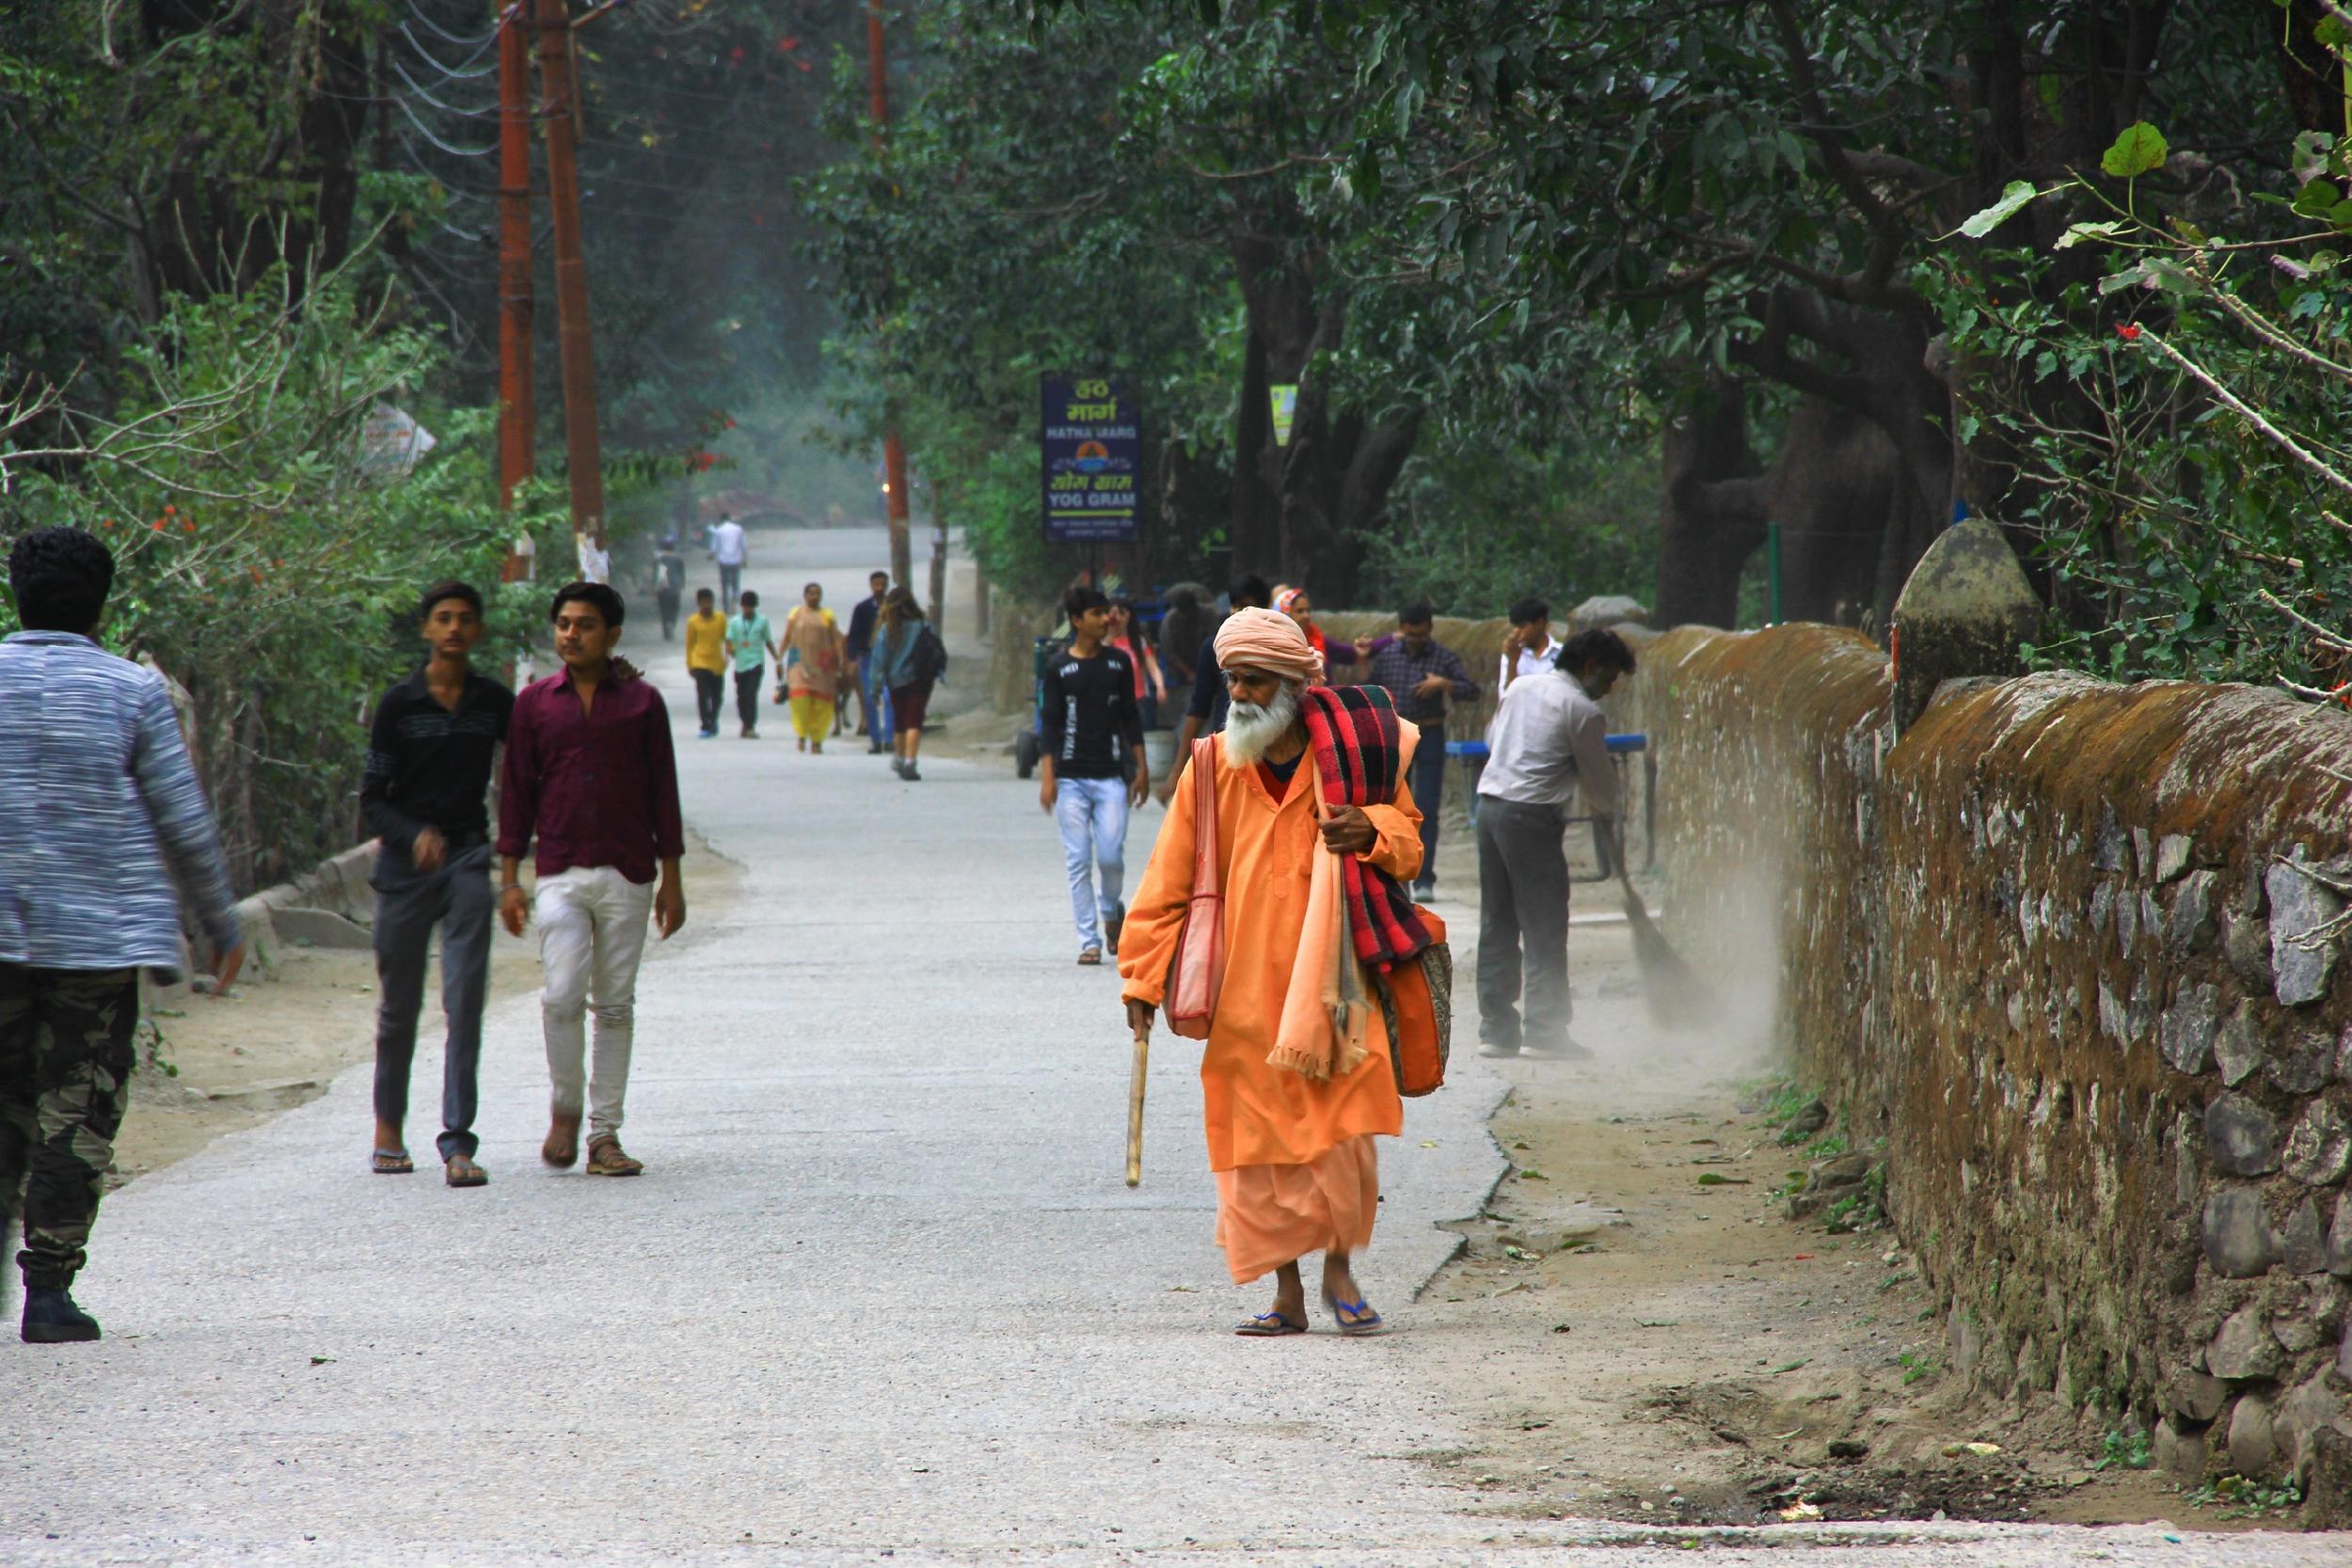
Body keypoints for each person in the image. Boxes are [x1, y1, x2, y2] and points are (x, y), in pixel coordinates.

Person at [1118, 609, 1427, 1337]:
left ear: (1294, 681)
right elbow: (1165, 880)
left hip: (1340, 986)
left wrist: (1371, 829)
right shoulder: (1210, 764)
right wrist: (1141, 976)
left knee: (1344, 1131)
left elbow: (1409, 843)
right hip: (1246, 992)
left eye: (1255, 678)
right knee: (1256, 1149)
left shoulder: (1360, 753)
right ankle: (1287, 1293)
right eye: (1232, 679)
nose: (1242, 692)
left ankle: (1340, 1276)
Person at [0, 527, 242, 1343]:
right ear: (102, 604)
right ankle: (49, 1291)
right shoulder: (131, 691)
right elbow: (181, 814)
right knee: (77, 1106)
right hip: (96, 943)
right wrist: (219, 919)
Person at [498, 582, 688, 1179]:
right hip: (558, 871)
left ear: (612, 635)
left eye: (584, 625)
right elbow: (516, 795)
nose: (570, 635)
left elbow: (664, 791)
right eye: (562, 624)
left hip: (629, 870)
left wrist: (672, 878)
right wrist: (509, 877)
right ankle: (566, 1107)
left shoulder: (642, 704)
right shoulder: (533, 704)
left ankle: (605, 1136)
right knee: (559, 995)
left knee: (613, 1005)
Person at [359, 581, 516, 1188]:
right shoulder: (399, 705)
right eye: (443, 618)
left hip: (468, 859)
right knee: (400, 1008)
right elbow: (372, 798)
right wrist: (411, 833)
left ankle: (457, 1141)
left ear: (477, 632)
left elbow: (541, 745)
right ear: (426, 629)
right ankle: (388, 1128)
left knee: (465, 999)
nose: (454, 628)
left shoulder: (494, 704)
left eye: (465, 620)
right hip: (403, 870)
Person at [1473, 627, 1637, 1061]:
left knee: (1498, 920)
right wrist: (1607, 810)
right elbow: (1599, 781)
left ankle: (1497, 1030)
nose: (1610, 687)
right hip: (1530, 817)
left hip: (1488, 809)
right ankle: (1545, 1031)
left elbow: (1494, 741)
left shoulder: (1522, 686)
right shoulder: (1582, 710)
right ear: (1589, 667)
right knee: (1544, 924)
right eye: (1609, 677)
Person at [1039, 587, 1148, 965]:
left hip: (1110, 777)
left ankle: (1110, 911)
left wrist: (1142, 767)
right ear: (1076, 620)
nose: (1107, 619)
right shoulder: (1058, 668)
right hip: (1070, 778)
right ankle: (1089, 940)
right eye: (1098, 613)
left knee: (1111, 855)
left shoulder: (1119, 663)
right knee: (1079, 858)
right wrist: (1048, 777)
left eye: (1107, 613)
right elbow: (1049, 724)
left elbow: (1131, 718)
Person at [1363, 601, 1479, 900]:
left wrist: (1446, 684)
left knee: (1426, 807)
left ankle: (1424, 878)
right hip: (1395, 737)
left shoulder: (1442, 657)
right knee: (1391, 806)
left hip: (1429, 735)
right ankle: (1396, 873)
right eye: (1411, 634)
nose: (1416, 639)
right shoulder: (1387, 657)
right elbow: (1369, 694)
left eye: (1421, 634)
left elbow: (1472, 690)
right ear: (1401, 629)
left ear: (1430, 628)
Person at [1162, 573, 1270, 801]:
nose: (1238, 613)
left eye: (1246, 607)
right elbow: (1198, 708)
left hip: (1272, 752)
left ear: (1266, 608)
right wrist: (1177, 770)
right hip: (1231, 751)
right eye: (1235, 606)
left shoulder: (1280, 649)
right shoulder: (1215, 648)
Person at [872, 586, 946, 782]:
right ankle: (910, 762)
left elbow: (879, 659)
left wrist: (875, 687)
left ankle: (900, 757)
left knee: (900, 720)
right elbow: (935, 647)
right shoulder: (923, 624)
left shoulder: (888, 629)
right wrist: (940, 672)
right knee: (915, 719)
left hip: (896, 680)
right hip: (922, 677)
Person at [781, 581, 847, 754]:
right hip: (799, 664)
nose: (815, 596)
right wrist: (779, 658)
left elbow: (836, 639)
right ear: (805, 596)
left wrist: (840, 660)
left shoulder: (828, 615)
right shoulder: (795, 614)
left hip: (823, 666)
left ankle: (817, 740)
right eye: (811, 593)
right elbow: (787, 636)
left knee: (822, 703)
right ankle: (801, 735)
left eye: (818, 593)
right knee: (800, 700)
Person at [844, 569, 893, 753]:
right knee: (870, 700)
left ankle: (889, 738)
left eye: (883, 584)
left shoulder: (894, 606)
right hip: (868, 658)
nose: (880, 588)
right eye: (876, 584)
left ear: (887, 585)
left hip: (889, 658)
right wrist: (852, 658)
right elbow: (854, 635)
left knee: (890, 698)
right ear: (871, 586)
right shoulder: (862, 608)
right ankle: (875, 739)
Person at [1105, 596, 1167, 734]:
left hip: (1136, 701)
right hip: (1110, 700)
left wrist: (1160, 687)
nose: (1118, 618)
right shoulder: (1104, 642)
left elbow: (1153, 668)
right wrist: (1110, 636)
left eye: (1122, 614)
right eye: (1114, 614)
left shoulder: (1138, 642)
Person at [1271, 586, 1365, 673]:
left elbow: (1349, 652)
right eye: (1300, 611)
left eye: (1308, 610)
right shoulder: (1272, 644)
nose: (1306, 615)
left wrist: (1362, 647)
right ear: (1283, 615)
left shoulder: (1317, 637)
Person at [724, 589, 776, 740]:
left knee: (751, 694)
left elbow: (768, 641)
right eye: (746, 606)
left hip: (756, 663)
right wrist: (729, 653)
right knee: (741, 697)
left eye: (751, 606)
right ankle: (744, 723)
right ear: (742, 606)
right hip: (740, 665)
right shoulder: (734, 622)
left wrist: (777, 659)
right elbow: (728, 640)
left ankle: (750, 726)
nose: (748, 609)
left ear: (755, 606)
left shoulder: (762, 621)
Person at [683, 588, 726, 738]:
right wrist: (689, 664)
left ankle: (713, 720)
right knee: (703, 695)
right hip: (700, 663)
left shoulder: (720, 618)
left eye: (709, 601)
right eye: (704, 602)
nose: (707, 605)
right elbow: (689, 644)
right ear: (699, 603)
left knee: (717, 697)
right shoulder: (693, 621)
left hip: (717, 664)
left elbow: (727, 639)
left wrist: (727, 656)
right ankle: (705, 724)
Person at [1499, 596, 1559, 690]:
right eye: (1515, 627)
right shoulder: (1510, 654)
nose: (1516, 633)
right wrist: (1512, 663)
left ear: (1540, 623)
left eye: (1522, 626)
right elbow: (1505, 698)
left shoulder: (1562, 654)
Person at [707, 512, 747, 606]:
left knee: (724, 584)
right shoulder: (738, 529)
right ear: (730, 519)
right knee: (735, 582)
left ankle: (726, 606)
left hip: (723, 561)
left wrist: (711, 555)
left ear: (721, 520)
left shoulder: (719, 530)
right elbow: (744, 545)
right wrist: (745, 559)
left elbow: (714, 546)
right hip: (735, 560)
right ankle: (734, 601)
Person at [653, 540, 685, 641]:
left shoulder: (659, 560)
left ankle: (666, 626)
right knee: (675, 608)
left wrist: (653, 587)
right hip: (675, 587)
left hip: (662, 588)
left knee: (663, 609)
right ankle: (671, 623)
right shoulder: (678, 559)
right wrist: (682, 584)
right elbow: (682, 574)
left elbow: (655, 575)